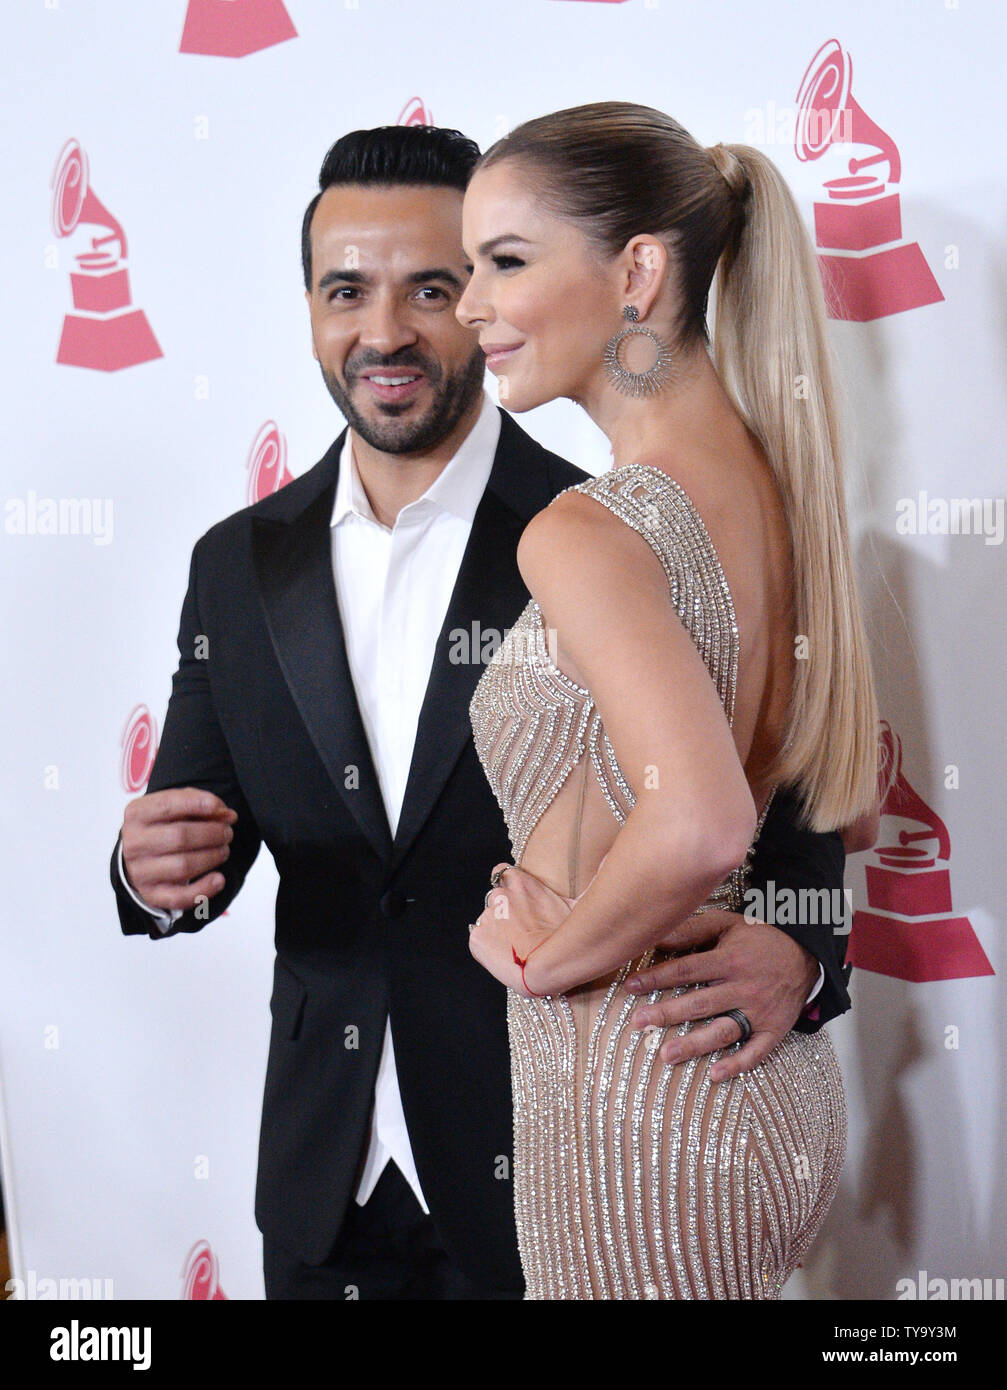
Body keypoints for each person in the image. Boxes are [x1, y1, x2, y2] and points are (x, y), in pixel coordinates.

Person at [109, 124, 859, 1301]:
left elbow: (774, 789)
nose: (388, 328)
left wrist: (802, 949)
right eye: (344, 290)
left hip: (564, 1141)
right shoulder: (232, 566)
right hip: (325, 1176)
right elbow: (200, 814)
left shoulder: (598, 519)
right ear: (308, 307)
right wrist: (149, 870)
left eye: (444, 283)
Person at [462, 102, 881, 1300]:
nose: (472, 306)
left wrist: (546, 965)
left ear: (636, 269)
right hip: (748, 1088)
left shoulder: (589, 529)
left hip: (631, 1094)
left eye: (506, 263)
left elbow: (699, 822)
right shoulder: (777, 486)